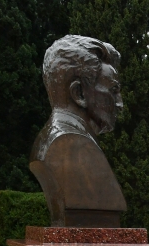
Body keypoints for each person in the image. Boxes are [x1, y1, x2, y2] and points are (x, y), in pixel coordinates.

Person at [30, 35, 126, 228]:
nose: (120, 104)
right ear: (79, 93)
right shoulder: (70, 146)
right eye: (113, 90)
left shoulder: (46, 141)